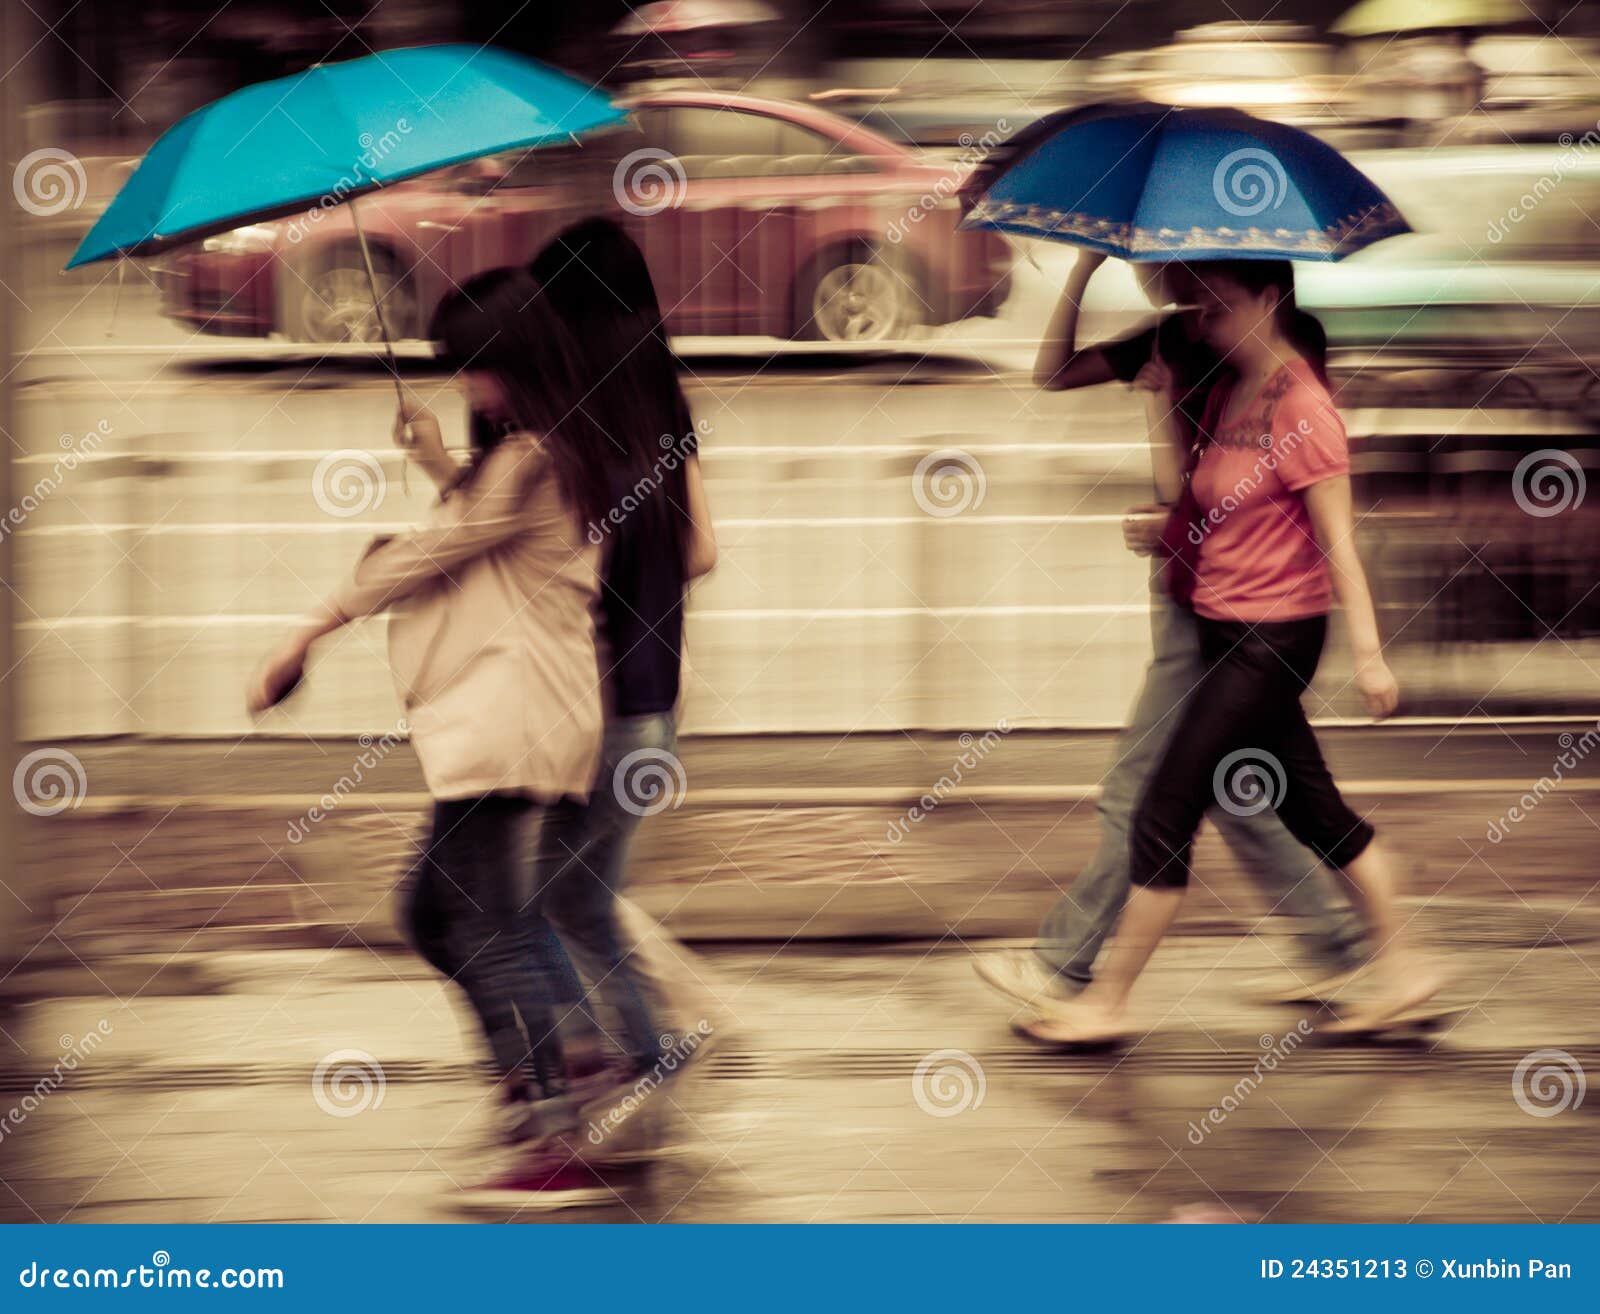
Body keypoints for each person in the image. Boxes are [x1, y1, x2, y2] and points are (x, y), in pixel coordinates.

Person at [247, 266, 613, 1163]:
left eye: (471, 364)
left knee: (473, 920)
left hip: (516, 721)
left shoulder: (538, 456)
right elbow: (482, 530)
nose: (462, 381)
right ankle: (553, 1068)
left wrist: (310, 631)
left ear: (512, 360)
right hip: (511, 718)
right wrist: (436, 460)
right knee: (439, 913)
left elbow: (442, 548)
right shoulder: (535, 453)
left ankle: (551, 1118)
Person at [1024, 259, 1442, 1042]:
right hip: (1227, 634)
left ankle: (1104, 1001)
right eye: (1200, 302)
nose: (1203, 316)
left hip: (1270, 642)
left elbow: (1339, 543)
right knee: (1318, 817)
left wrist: (1371, 656)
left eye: (1220, 303)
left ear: (1270, 300)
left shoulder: (1302, 404)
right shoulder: (1228, 390)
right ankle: (1405, 971)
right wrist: (1156, 412)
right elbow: (1194, 501)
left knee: (1161, 811)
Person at [519, 218, 721, 1117]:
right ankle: (609, 1055)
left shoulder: (565, 426)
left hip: (586, 708)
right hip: (652, 712)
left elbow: (533, 561)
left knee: (548, 904)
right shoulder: (661, 403)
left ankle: (630, 1056)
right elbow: (703, 550)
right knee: (574, 899)